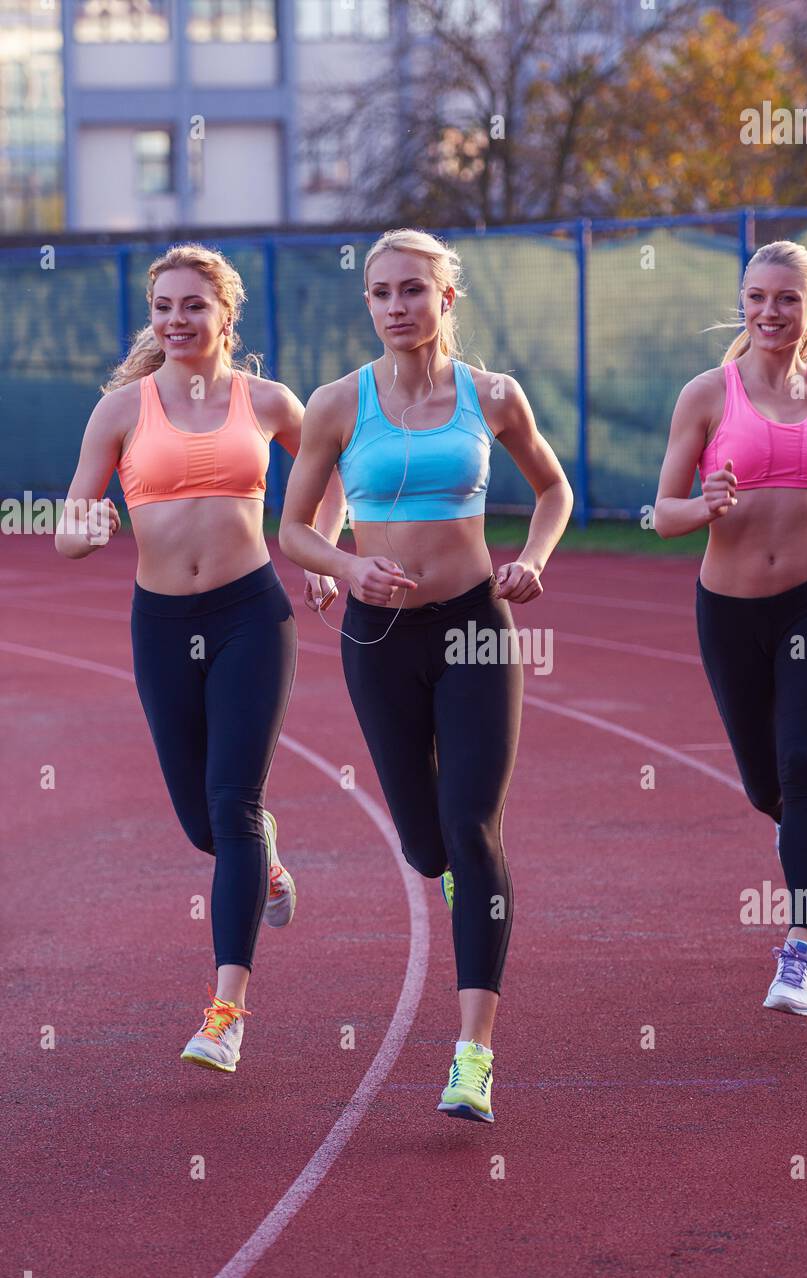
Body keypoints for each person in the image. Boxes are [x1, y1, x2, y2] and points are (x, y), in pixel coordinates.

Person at [279, 227, 573, 1121]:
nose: (397, 306)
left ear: (447, 299)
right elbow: (289, 531)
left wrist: (534, 558)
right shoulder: (336, 404)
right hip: (379, 638)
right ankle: (441, 864)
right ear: (366, 303)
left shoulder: (493, 396)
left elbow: (554, 491)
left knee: (473, 828)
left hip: (477, 628)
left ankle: (471, 1054)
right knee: (424, 840)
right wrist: (341, 565)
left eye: (413, 290)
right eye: (380, 293)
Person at [55, 243, 335, 1073]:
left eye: (193, 306)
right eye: (163, 308)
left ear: (225, 315)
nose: (176, 321)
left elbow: (328, 467)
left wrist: (325, 548)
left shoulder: (270, 402)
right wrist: (87, 530)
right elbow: (71, 523)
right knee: (203, 824)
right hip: (162, 624)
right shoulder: (118, 411)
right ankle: (268, 855)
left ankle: (226, 1012)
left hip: (251, 615)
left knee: (233, 803)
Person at [653, 239, 807, 1017]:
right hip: (729, 610)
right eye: (757, 298)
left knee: (804, 767)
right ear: (744, 303)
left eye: (786, 299)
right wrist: (706, 504)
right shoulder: (705, 394)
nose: (769, 312)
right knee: (766, 786)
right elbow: (662, 515)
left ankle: (799, 945)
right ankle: (800, 835)